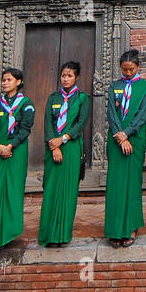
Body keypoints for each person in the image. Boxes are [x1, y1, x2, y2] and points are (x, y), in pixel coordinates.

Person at [104, 49, 146, 247]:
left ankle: (131, 227)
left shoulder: (145, 87)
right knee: (115, 185)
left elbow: (143, 114)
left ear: (138, 67)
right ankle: (115, 229)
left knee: (132, 184)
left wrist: (128, 133)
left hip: (135, 139)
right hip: (116, 140)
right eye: (124, 70)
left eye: (131, 69)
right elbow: (111, 113)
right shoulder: (114, 86)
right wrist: (120, 136)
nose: (128, 73)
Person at [37, 61, 88, 248]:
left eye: (69, 76)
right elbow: (48, 124)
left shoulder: (83, 99)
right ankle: (48, 234)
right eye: (63, 75)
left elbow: (80, 124)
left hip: (72, 147)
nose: (65, 79)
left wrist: (63, 140)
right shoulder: (53, 98)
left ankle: (63, 234)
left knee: (67, 191)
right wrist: (54, 145)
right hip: (53, 147)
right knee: (50, 188)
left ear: (77, 78)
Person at [0, 67, 34, 250]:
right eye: (4, 80)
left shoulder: (26, 104)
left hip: (17, 151)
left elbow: (25, 129)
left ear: (18, 82)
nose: (5, 83)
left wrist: (10, 146)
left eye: (9, 80)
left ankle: (9, 233)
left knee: (13, 190)